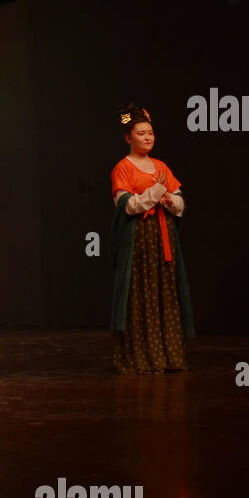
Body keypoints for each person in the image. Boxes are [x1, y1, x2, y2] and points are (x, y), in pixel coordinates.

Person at [109, 103, 194, 374]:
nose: (148, 137)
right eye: (141, 133)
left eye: (151, 133)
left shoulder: (161, 166)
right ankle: (142, 359)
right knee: (139, 296)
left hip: (162, 238)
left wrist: (169, 199)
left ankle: (168, 357)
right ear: (128, 137)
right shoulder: (122, 168)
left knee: (164, 294)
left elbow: (180, 203)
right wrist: (157, 191)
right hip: (139, 241)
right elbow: (128, 206)